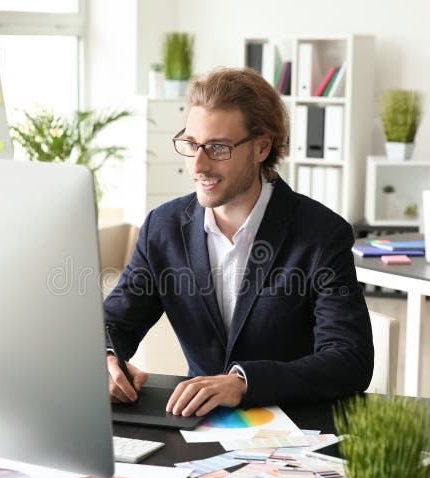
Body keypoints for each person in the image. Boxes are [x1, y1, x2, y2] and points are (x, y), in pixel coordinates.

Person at [104, 67, 373, 417]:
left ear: (262, 147)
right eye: (191, 143)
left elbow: (349, 359)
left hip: (294, 431)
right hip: (196, 426)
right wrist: (107, 358)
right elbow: (115, 322)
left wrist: (244, 382)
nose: (198, 164)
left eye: (218, 148)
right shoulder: (163, 226)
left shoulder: (322, 235)